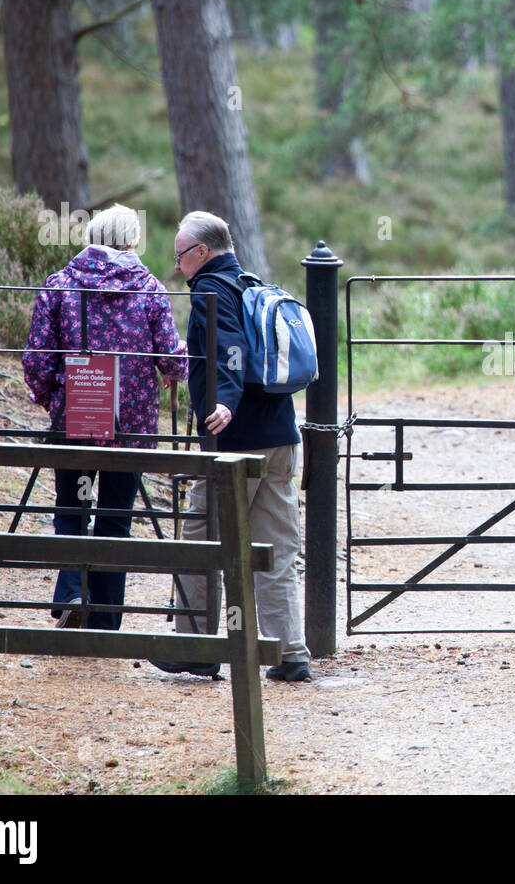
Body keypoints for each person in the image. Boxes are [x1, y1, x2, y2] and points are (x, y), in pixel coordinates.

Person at [154, 210, 312, 683]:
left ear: (202, 252)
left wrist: (223, 403)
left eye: (181, 255)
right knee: (277, 547)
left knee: (202, 540)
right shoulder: (252, 282)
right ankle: (290, 654)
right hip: (281, 437)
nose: (177, 265)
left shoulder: (210, 290)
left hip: (235, 443)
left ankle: (198, 648)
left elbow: (230, 350)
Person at [23, 203, 188, 630]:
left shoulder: (60, 284)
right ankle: (106, 619)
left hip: (76, 413)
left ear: (91, 238)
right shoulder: (149, 288)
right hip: (131, 425)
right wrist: (174, 370)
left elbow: (37, 358)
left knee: (72, 507)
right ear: (131, 241)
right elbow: (172, 358)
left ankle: (73, 591)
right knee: (116, 516)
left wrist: (55, 399)